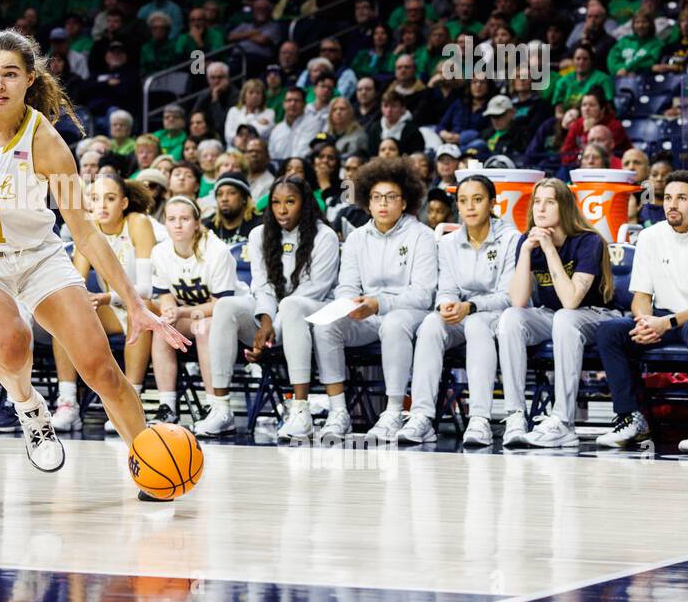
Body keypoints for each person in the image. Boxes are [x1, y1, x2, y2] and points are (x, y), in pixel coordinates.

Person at [0, 31, 189, 484]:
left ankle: (151, 467)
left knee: (100, 367)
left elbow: (85, 233)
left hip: (39, 257)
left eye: (9, 75)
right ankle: (30, 410)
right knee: (13, 342)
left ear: (28, 79)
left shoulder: (45, 141)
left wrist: (134, 303)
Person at [312, 157, 438, 441]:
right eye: (376, 197)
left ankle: (393, 411)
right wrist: (348, 305)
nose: (383, 204)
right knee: (326, 325)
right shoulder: (357, 239)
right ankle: (338, 411)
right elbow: (346, 286)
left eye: (391, 197)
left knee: (393, 323)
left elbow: (422, 294)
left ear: (404, 202)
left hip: (409, 315)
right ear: (367, 203)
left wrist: (379, 303)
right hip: (367, 314)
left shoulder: (422, 236)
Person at [207, 176, 340, 440]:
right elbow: (262, 285)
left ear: (305, 203)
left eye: (290, 202)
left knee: (292, 304)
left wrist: (271, 330)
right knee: (225, 306)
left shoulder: (325, 236)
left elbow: (313, 290)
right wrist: (266, 321)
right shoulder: (259, 234)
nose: (282, 209)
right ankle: (220, 409)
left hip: (314, 313)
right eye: (276, 203)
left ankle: (300, 411)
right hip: (272, 316)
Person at [398, 175, 520, 445]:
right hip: (462, 312)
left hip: (499, 317)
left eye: (478, 200)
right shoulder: (447, 243)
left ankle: (480, 419)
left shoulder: (512, 239)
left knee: (477, 324)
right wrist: (446, 305)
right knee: (431, 323)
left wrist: (471, 306)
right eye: (463, 201)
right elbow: (446, 288)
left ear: (492, 203)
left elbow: (509, 296)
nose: (470, 207)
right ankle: (421, 416)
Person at [498, 179, 618, 448]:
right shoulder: (527, 241)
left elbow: (572, 300)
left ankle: (564, 421)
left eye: (549, 202)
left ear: (564, 206)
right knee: (510, 318)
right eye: (537, 201)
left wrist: (550, 250)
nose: (540, 209)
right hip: (554, 315)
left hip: (597, 316)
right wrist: (527, 251)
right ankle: (516, 414)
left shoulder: (589, 241)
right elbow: (518, 300)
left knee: (565, 317)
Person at [595, 171, 688, 450]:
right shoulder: (651, 236)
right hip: (661, 318)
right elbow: (641, 295)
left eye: (681, 198)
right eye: (667, 198)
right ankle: (631, 418)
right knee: (610, 331)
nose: (672, 205)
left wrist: (667, 322)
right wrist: (644, 322)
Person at [51, 172, 158, 433]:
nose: (101, 205)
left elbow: (146, 288)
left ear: (123, 203)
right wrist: (79, 301)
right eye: (95, 199)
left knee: (137, 311)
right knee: (65, 318)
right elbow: (75, 281)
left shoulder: (138, 222)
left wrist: (106, 297)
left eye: (109, 199)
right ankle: (68, 403)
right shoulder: (88, 230)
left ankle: (131, 404)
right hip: (116, 307)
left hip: (154, 306)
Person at [149, 196, 240, 432]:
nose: (177, 225)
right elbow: (165, 296)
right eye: (171, 219)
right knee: (162, 329)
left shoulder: (216, 250)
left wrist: (182, 311)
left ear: (197, 223)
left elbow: (220, 304)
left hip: (230, 317)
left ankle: (215, 407)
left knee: (205, 327)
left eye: (184, 219)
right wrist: (170, 313)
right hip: (190, 315)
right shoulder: (159, 252)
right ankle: (167, 407)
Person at [203, 173, 263, 244]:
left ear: (244, 198)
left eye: (231, 193)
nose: (224, 199)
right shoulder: (207, 227)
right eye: (219, 194)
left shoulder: (260, 225)